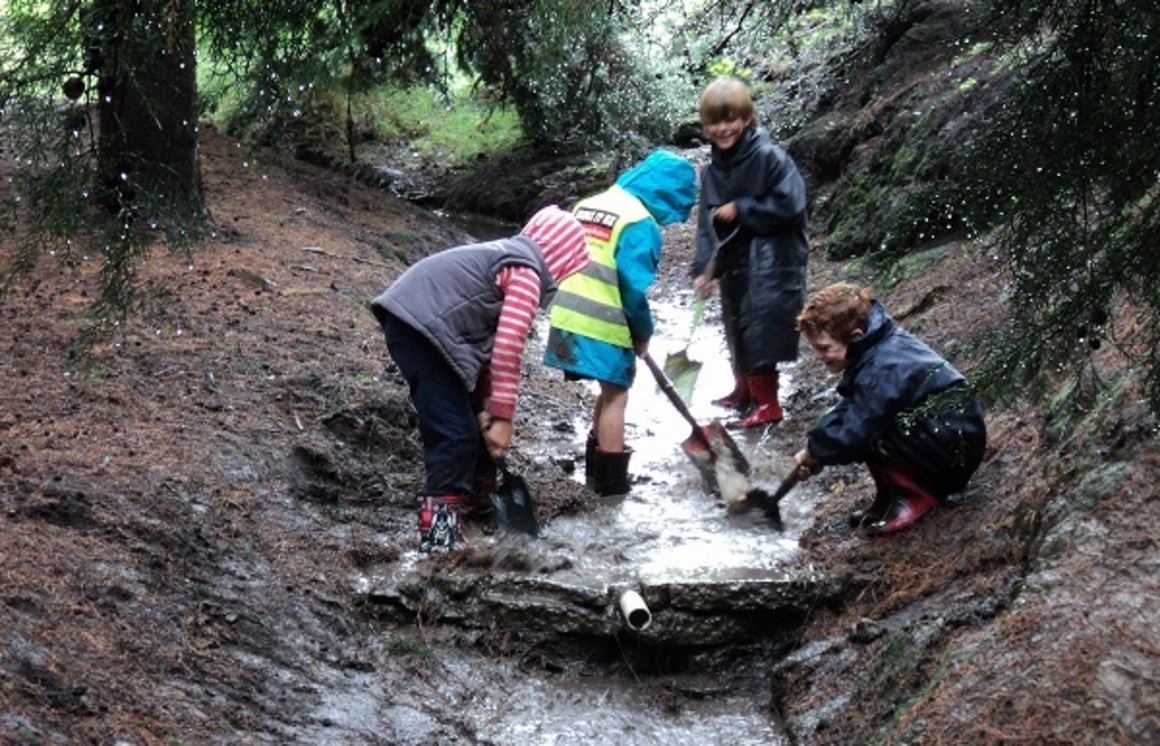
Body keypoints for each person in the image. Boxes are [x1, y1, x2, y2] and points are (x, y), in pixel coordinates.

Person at [370, 206, 590, 553]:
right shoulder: (526, 272)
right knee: (453, 436)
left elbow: (485, 351)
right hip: (423, 332)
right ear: (560, 259)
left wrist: (486, 405)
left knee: (470, 426)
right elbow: (508, 346)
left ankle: (475, 501)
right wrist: (503, 417)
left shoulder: (507, 257)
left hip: (421, 326)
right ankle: (438, 538)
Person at [544, 150, 697, 496]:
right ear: (666, 195)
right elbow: (631, 289)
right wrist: (642, 333)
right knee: (617, 395)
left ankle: (594, 473)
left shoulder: (590, 203)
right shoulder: (638, 222)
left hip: (566, 311)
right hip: (602, 318)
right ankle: (610, 486)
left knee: (608, 386)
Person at [791, 283, 987, 536]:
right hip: (936, 433)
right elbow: (851, 406)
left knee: (874, 431)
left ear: (856, 336)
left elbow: (855, 431)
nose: (818, 356)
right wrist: (814, 446)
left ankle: (917, 493)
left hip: (952, 447)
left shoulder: (883, 366)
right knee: (874, 425)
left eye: (824, 348)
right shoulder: (874, 348)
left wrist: (817, 451)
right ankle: (890, 494)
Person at [691, 76, 810, 428]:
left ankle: (768, 402)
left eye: (730, 120)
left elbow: (792, 204)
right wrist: (704, 269)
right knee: (736, 323)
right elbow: (706, 223)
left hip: (773, 255)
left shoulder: (770, 157)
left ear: (746, 119)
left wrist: (742, 208)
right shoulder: (712, 171)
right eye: (715, 122)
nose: (723, 129)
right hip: (735, 259)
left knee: (762, 323)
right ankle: (743, 390)